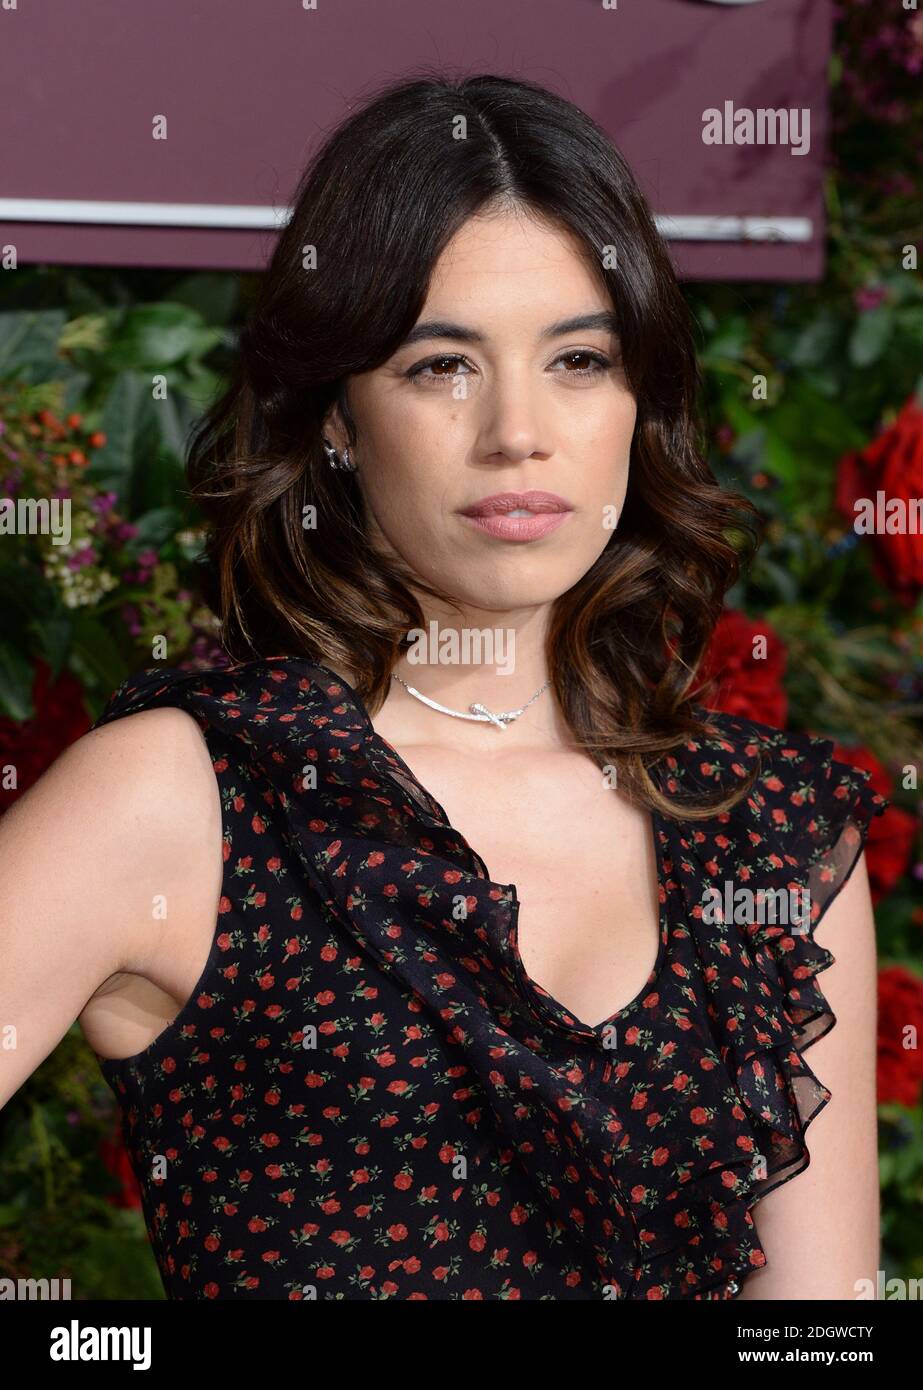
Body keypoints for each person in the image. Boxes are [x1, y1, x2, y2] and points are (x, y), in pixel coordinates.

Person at [0, 72, 887, 1301]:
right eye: (438, 366)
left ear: (640, 401)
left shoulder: (767, 837)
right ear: (338, 423)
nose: (518, 429)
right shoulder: (185, 797)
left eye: (579, 357)